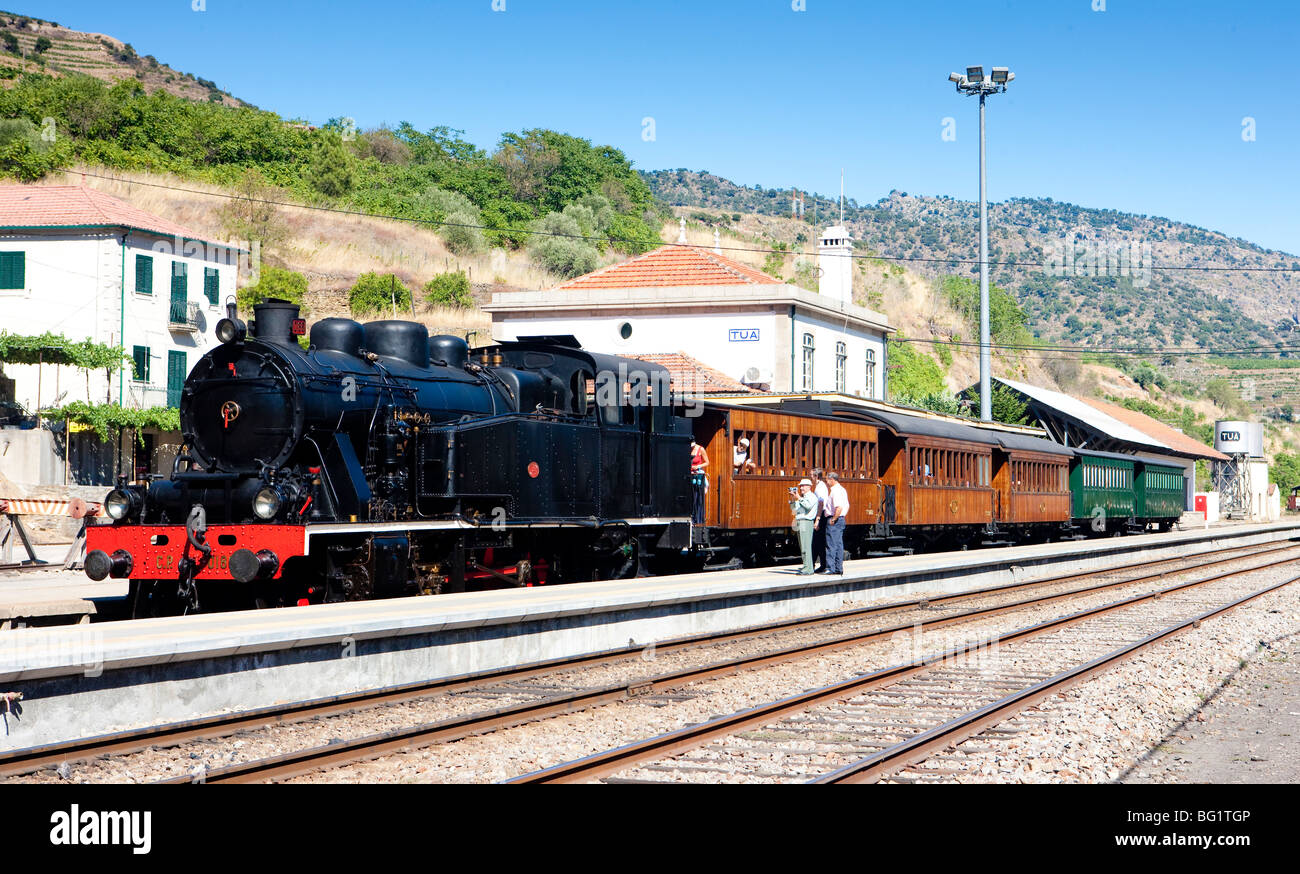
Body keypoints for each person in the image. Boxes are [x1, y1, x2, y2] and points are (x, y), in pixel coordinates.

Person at [789, 478, 819, 574]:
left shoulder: (811, 496)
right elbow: (793, 509)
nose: (801, 488)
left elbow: (807, 506)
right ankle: (806, 566)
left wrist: (798, 496)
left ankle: (809, 569)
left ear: (809, 487)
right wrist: (793, 498)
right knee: (803, 546)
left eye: (803, 486)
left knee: (806, 546)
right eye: (800, 486)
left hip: (806, 522)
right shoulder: (803, 497)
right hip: (800, 521)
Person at [823, 471, 851, 575]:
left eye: (827, 480)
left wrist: (833, 519)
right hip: (841, 519)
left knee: (831, 544)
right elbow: (846, 506)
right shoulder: (842, 490)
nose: (826, 482)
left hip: (835, 519)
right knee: (839, 545)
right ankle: (838, 568)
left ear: (832, 480)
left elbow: (839, 507)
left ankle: (831, 568)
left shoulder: (836, 491)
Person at [810, 468, 829, 572]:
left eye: (811, 475)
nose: (811, 478)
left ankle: (820, 565)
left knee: (817, 541)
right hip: (821, 515)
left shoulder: (820, 487)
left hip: (821, 515)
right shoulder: (820, 486)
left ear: (816, 476)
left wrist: (817, 519)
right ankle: (821, 564)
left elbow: (821, 504)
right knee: (819, 542)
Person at [690, 439, 709, 524]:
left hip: (698, 475)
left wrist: (697, 466)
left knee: (697, 496)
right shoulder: (687, 448)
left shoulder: (701, 449)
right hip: (689, 474)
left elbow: (707, 462)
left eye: (693, 446)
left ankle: (697, 518)